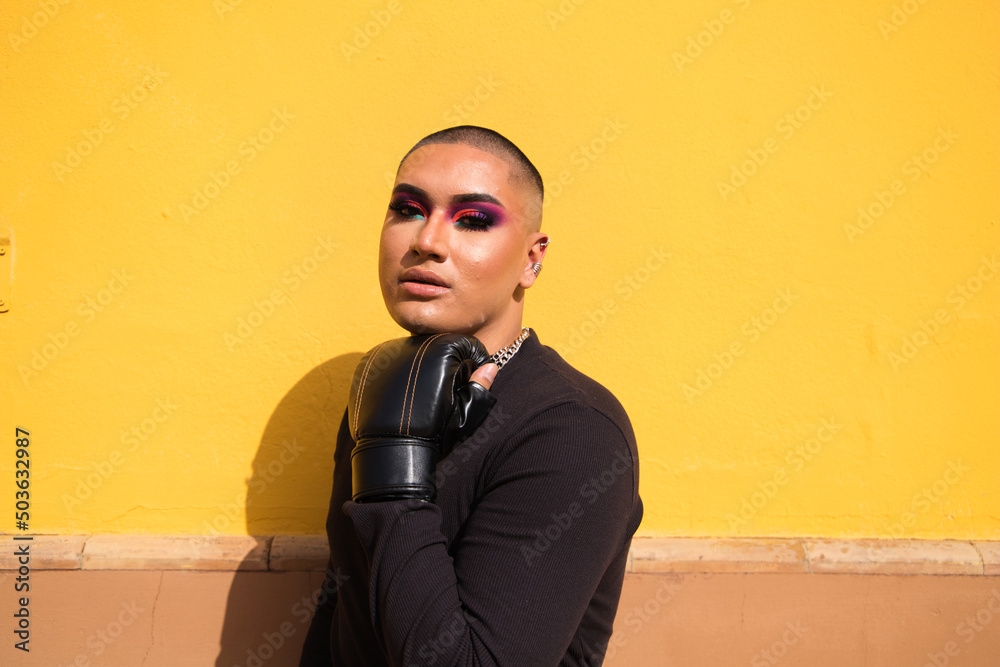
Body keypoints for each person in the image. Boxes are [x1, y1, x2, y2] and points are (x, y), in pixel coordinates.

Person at [299, 125, 642, 666]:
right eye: (408, 209)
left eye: (474, 220)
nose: (427, 242)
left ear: (532, 260)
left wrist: (396, 477)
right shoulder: (388, 386)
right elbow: (343, 609)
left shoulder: (573, 431)